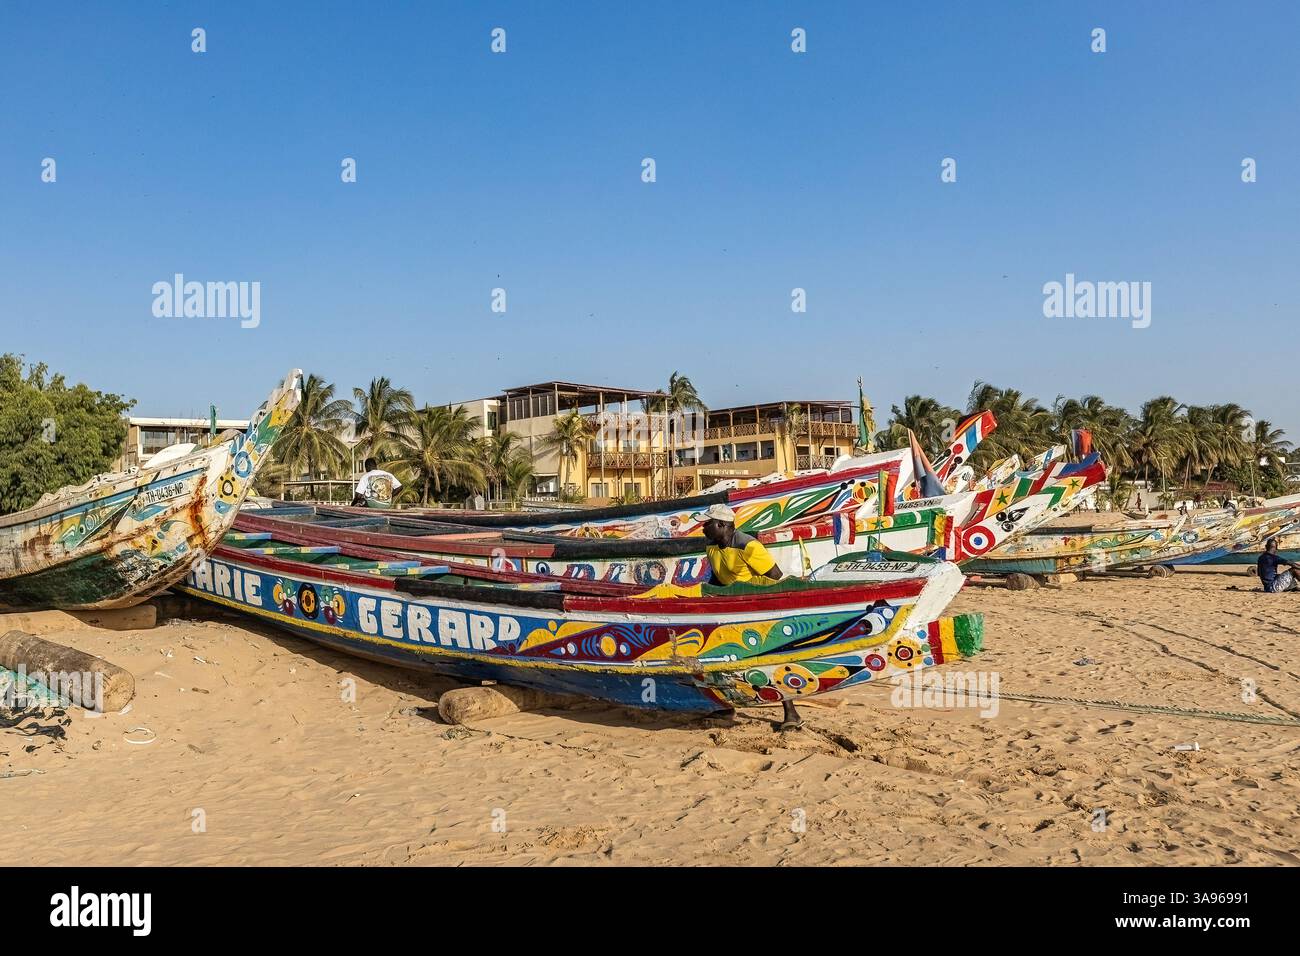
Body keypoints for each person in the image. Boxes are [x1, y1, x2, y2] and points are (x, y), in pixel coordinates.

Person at [693, 504, 801, 731]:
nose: (702, 528)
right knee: (718, 656)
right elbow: (718, 578)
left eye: (707, 523)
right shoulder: (711, 547)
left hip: (758, 607)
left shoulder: (749, 546)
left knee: (770, 658)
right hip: (730, 607)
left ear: (721, 525)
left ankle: (791, 713)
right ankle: (726, 707)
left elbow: (776, 579)